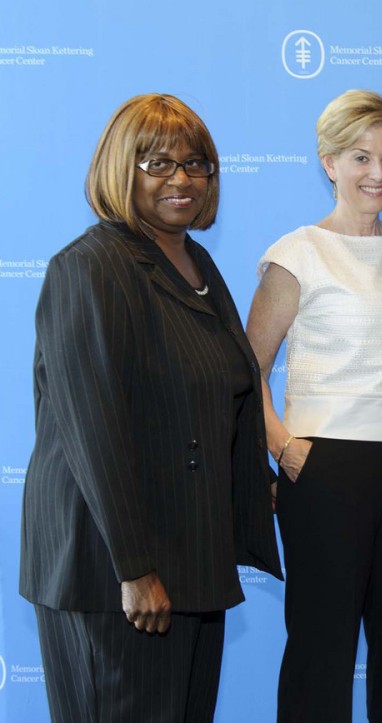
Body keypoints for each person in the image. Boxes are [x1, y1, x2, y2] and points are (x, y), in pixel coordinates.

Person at [19, 93, 283, 722]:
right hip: (114, 572)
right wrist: (134, 569)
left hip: (192, 558)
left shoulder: (197, 263)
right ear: (121, 169)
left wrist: (257, 484)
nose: (182, 179)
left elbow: (216, 397)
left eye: (196, 165)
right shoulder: (90, 268)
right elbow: (93, 433)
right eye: (158, 164)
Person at [246, 89, 382, 723]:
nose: (377, 174)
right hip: (322, 469)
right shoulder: (296, 254)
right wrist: (282, 447)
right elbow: (244, 370)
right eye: (361, 157)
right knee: (319, 653)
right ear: (328, 161)